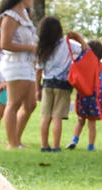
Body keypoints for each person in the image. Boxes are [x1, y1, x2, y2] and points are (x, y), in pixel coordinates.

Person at [0, 0, 40, 149]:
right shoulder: (10, 16)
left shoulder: (26, 16)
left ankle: (17, 139)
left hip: (28, 64)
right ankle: (12, 143)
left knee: (30, 104)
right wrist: (30, 48)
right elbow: (5, 43)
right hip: (15, 64)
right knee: (14, 103)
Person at [35, 16, 86, 153]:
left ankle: (44, 145)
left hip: (47, 84)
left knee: (46, 116)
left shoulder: (42, 46)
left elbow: (39, 71)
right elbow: (85, 50)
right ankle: (56, 146)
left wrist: (37, 88)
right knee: (57, 117)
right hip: (63, 84)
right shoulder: (67, 44)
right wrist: (77, 37)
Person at [69, 39, 102, 151]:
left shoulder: (84, 65)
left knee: (80, 120)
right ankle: (91, 146)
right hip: (94, 100)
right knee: (92, 124)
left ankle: (74, 139)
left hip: (83, 97)